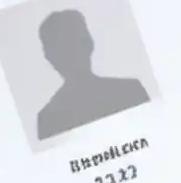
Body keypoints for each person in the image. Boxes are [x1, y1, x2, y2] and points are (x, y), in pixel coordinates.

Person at [36, 9, 149, 139]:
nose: (70, 53)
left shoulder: (48, 119)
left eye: (70, 43)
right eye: (61, 46)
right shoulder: (130, 90)